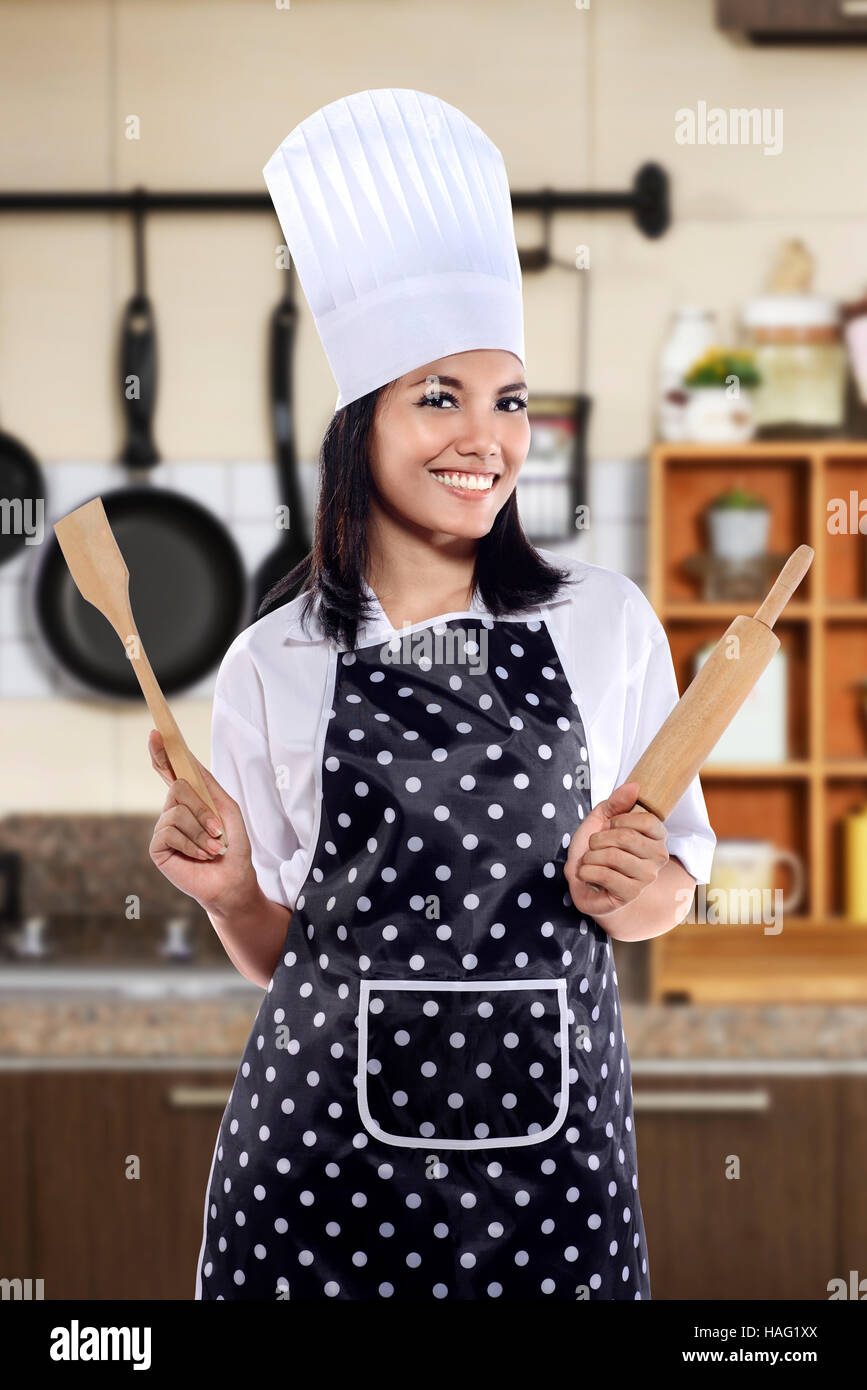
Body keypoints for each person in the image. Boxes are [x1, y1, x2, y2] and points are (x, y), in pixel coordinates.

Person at [148, 89, 716, 1300]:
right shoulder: (273, 662)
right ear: (361, 424)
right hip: (314, 1183)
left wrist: (642, 890)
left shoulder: (601, 623)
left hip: (556, 1187)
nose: (486, 438)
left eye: (507, 398)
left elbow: (676, 883)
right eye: (438, 396)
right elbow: (283, 956)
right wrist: (232, 889)